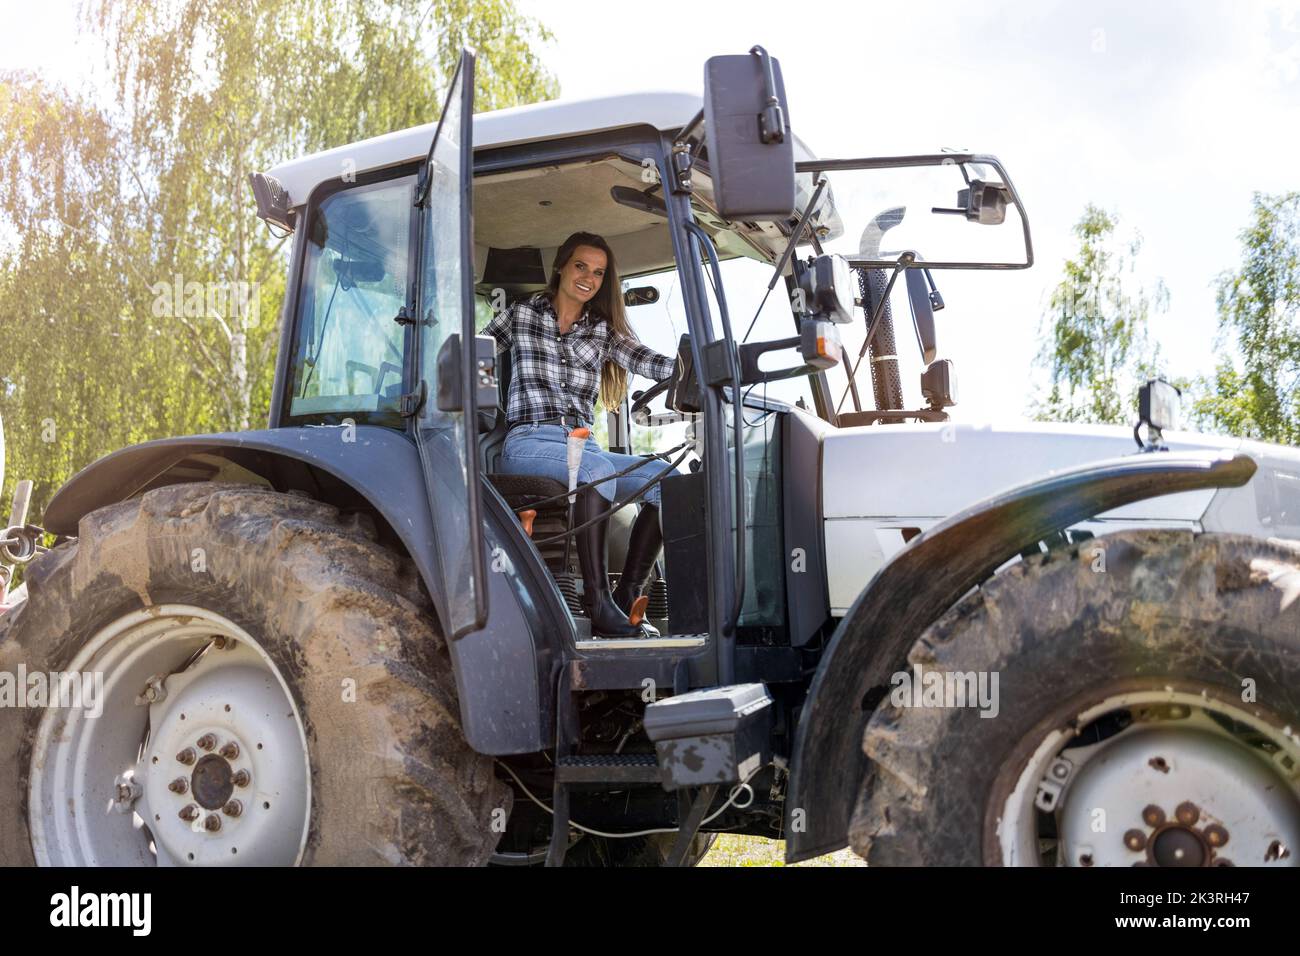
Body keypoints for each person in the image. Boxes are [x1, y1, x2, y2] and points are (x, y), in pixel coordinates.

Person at [483, 231, 676, 638]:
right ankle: (597, 601)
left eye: (599, 272)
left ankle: (626, 597)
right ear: (561, 267)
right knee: (595, 468)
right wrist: (474, 397)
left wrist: (694, 368)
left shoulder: (602, 331)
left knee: (667, 478)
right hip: (531, 441)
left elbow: (644, 359)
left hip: (582, 445)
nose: (589, 277)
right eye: (581, 266)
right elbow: (475, 351)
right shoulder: (521, 314)